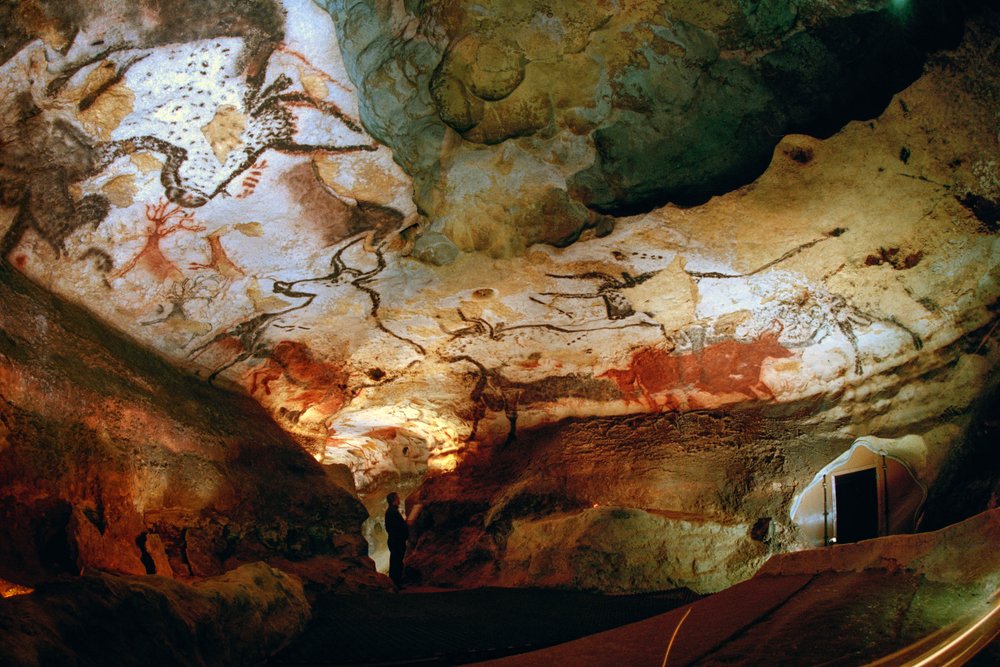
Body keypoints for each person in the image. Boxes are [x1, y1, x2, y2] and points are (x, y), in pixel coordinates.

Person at [385, 492, 409, 589]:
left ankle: (395, 583)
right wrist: (406, 525)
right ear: (394, 500)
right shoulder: (393, 512)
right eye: (398, 498)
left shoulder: (391, 511)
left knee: (396, 561)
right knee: (397, 562)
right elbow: (396, 527)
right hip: (397, 541)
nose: (399, 499)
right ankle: (396, 583)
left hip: (394, 540)